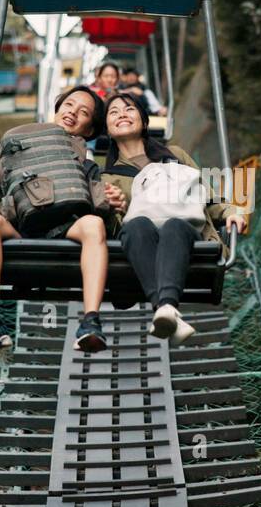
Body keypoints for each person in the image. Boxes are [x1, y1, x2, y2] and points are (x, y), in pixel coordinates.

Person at [0, 86, 111, 353]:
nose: (73, 113)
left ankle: (91, 320)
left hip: (67, 226)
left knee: (94, 225)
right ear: (58, 109)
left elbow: (97, 206)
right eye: (69, 105)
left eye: (83, 113)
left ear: (89, 129)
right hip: (22, 227)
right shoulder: (18, 152)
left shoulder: (86, 164)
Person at [101, 92, 247, 342]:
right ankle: (167, 309)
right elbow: (117, 228)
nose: (122, 114)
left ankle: (163, 307)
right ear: (107, 128)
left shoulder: (175, 155)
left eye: (129, 109)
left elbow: (206, 197)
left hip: (186, 234)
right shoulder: (107, 178)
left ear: (144, 121)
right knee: (136, 225)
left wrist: (231, 212)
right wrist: (112, 207)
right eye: (114, 112)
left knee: (174, 226)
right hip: (142, 241)